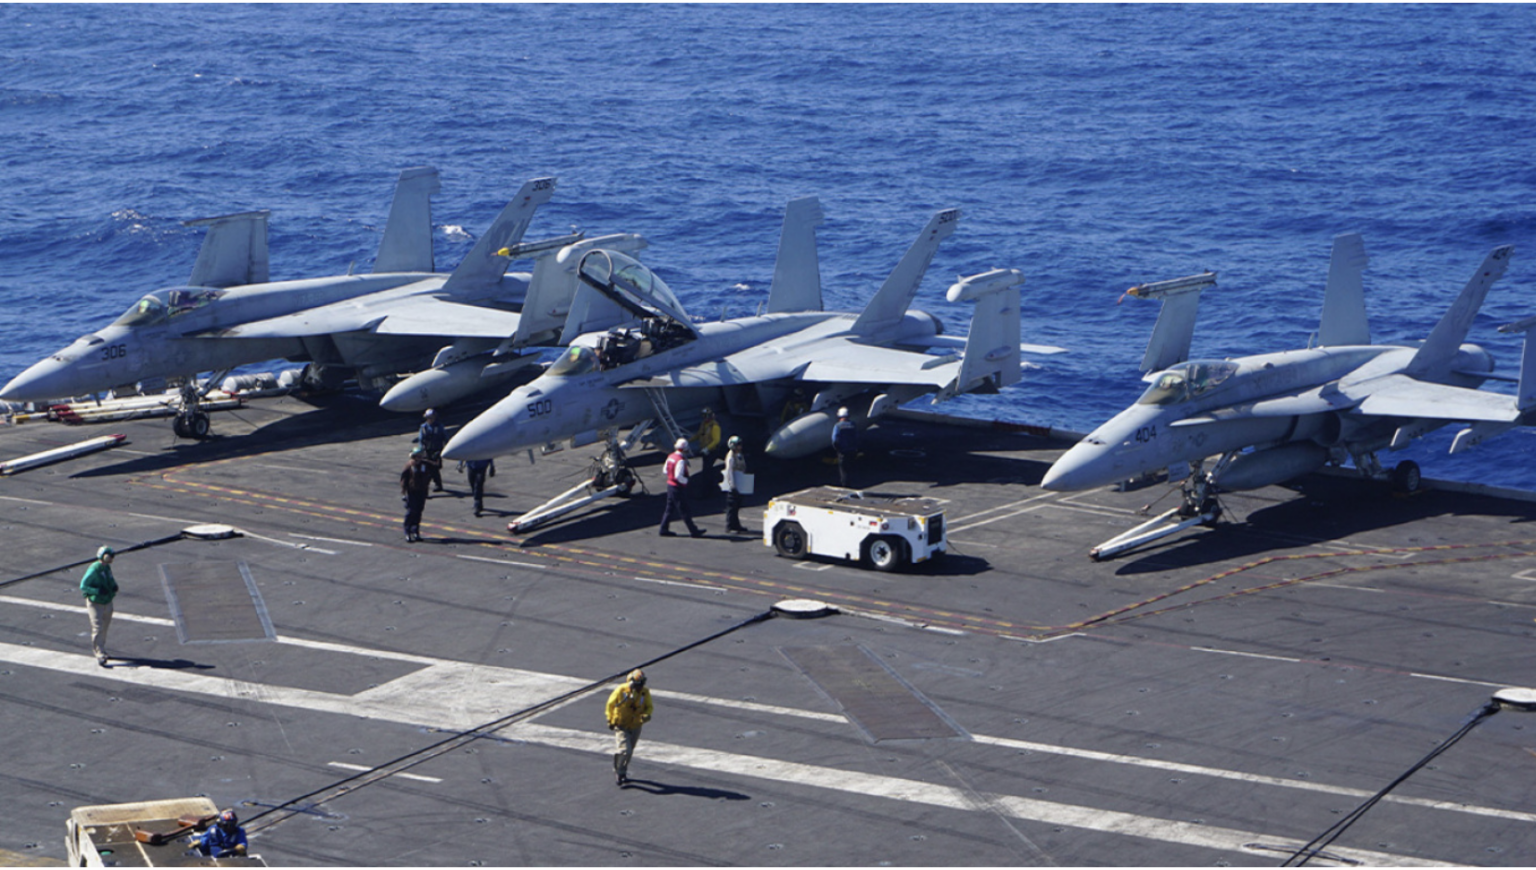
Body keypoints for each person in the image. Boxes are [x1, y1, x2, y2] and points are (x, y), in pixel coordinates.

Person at [605, 669, 653, 786]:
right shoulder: (621, 690)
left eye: (641, 684)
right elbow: (610, 705)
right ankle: (618, 770)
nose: (640, 687)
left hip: (636, 725)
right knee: (624, 750)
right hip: (622, 725)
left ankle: (623, 771)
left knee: (630, 751)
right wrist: (610, 720)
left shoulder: (645, 692)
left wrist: (646, 715)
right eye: (637, 685)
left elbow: (649, 706)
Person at [80, 545, 118, 667]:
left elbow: (110, 579)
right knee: (98, 627)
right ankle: (99, 653)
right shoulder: (94, 568)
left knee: (105, 627)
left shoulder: (106, 568)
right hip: (95, 603)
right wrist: (97, 591)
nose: (112, 558)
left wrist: (114, 586)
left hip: (107, 600)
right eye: (110, 556)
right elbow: (83, 585)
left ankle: (102, 648)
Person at [659, 438, 705, 538]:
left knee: (669, 509)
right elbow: (678, 476)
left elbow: (665, 470)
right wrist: (686, 481)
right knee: (684, 510)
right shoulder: (680, 460)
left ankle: (663, 528)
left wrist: (671, 476)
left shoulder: (671, 456)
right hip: (677, 488)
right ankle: (694, 531)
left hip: (670, 486)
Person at [400, 446, 439, 542]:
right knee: (411, 511)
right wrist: (404, 492)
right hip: (412, 491)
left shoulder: (425, 464)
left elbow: (436, 466)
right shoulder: (409, 466)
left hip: (422, 491)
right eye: (418, 456)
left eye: (421, 455)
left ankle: (415, 531)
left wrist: (437, 458)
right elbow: (404, 479)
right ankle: (407, 531)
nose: (420, 457)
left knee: (419, 511)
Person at [722, 435, 749, 533]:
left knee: (737, 505)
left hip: (740, 482)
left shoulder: (739, 455)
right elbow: (729, 472)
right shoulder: (731, 457)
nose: (740, 447)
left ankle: (736, 525)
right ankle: (729, 525)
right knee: (731, 506)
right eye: (738, 445)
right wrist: (732, 485)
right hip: (733, 484)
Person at [418, 409, 447, 492]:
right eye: (428, 418)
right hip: (427, 451)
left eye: (431, 417)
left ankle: (436, 485)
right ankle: (430, 485)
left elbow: (445, 438)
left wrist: (443, 449)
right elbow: (421, 440)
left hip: (437, 450)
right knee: (427, 469)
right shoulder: (423, 427)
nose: (430, 419)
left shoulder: (439, 426)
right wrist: (421, 451)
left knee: (434, 468)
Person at [832, 406, 859, 488]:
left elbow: (835, 439)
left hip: (843, 451)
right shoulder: (853, 425)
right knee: (850, 468)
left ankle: (845, 486)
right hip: (852, 450)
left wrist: (837, 449)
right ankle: (851, 484)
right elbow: (856, 437)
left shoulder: (838, 426)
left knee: (843, 471)